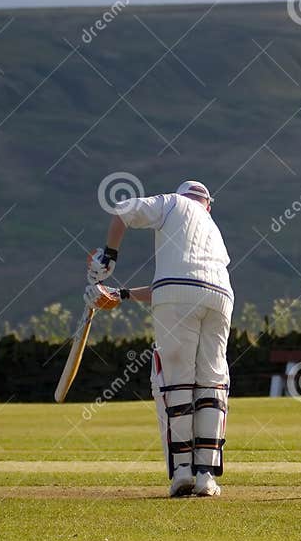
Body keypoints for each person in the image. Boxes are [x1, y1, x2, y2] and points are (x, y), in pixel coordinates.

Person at [84, 180, 233, 497]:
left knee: (176, 380)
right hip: (220, 297)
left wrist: (108, 257)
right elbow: (175, 288)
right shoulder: (213, 231)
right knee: (212, 380)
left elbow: (122, 210)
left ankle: (182, 472)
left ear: (183, 197)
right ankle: (206, 476)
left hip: (178, 296)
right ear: (208, 204)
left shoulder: (170, 203)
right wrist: (121, 294)